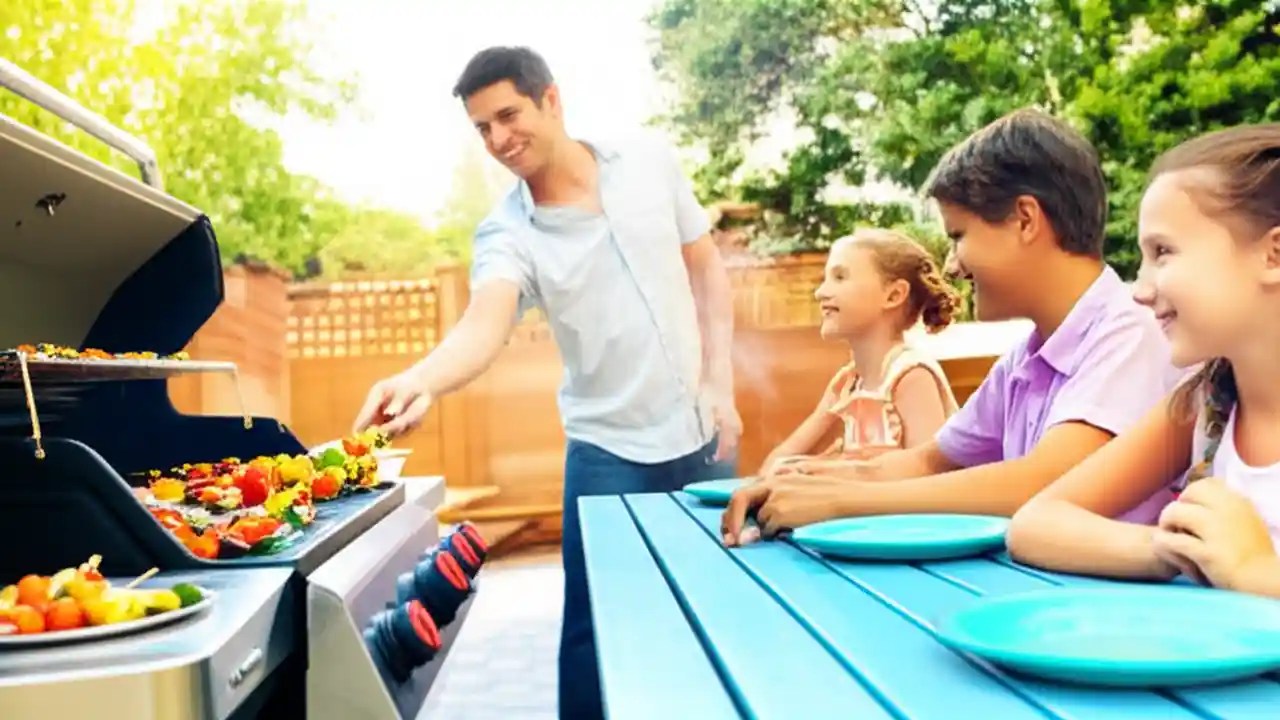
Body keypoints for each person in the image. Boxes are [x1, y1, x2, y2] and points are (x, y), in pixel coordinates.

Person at [350, 47, 741, 718]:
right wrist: (421, 379)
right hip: (607, 453)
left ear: (551, 101)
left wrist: (722, 385)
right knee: (594, 631)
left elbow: (706, 271)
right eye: (483, 128)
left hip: (703, 438)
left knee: (712, 614)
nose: (499, 140)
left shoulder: (648, 164)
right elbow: (484, 325)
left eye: (508, 115)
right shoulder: (508, 233)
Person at [721, 108, 1179, 545]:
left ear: (1025, 219)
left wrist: (845, 502)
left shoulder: (1129, 332)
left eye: (959, 235)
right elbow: (930, 461)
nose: (952, 264)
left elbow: (1049, 480)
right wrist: (808, 477)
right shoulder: (1027, 360)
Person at [1006, 124, 1280, 599]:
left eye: (1163, 252)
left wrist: (1256, 571)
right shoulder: (1205, 407)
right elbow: (1035, 523)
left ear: (1273, 255)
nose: (1140, 289)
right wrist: (1172, 547)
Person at [758, 228, 961, 478]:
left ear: (893, 295)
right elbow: (774, 466)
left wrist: (836, 470)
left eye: (840, 277)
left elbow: (928, 478)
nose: (820, 292)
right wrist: (816, 465)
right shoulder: (847, 384)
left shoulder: (911, 376)